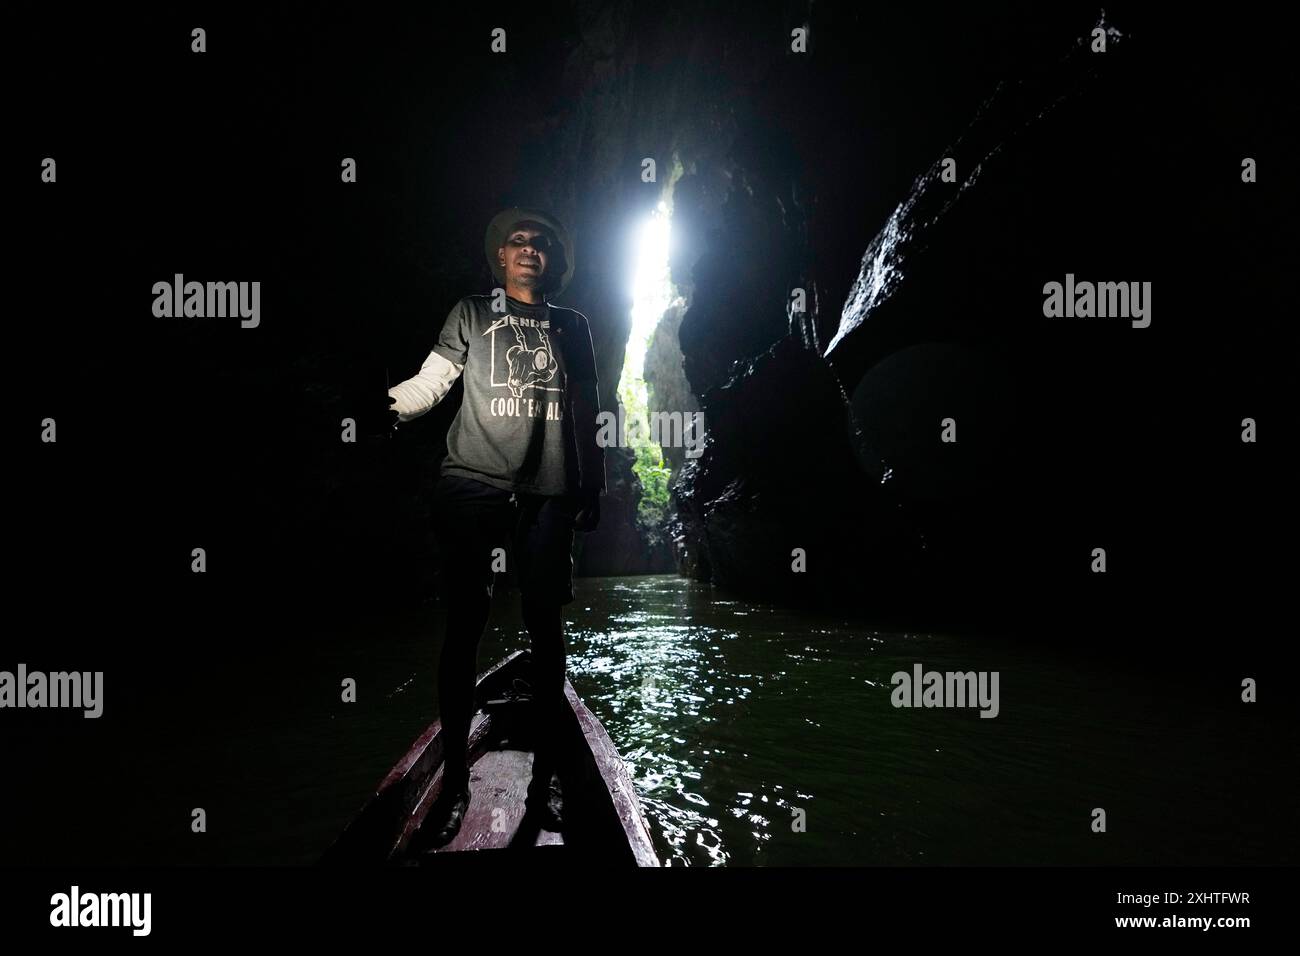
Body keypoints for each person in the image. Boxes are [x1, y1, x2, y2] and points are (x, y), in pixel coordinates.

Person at [379, 207, 605, 848]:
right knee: (464, 625)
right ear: (499, 258)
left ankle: (547, 783)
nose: (529, 249)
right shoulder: (471, 314)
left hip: (549, 492)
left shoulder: (573, 326)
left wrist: (596, 479)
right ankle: (454, 782)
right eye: (517, 242)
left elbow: (588, 408)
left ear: (553, 260)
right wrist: (388, 406)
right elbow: (432, 380)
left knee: (547, 630)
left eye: (541, 244)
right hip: (473, 483)